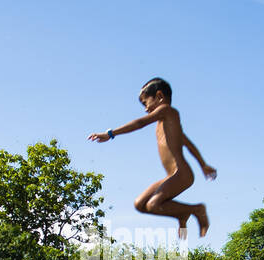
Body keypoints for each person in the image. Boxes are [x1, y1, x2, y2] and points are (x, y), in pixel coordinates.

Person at [88, 77, 216, 238]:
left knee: (154, 204)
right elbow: (188, 143)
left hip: (181, 173)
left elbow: (140, 123)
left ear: (159, 96)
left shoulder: (168, 112)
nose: (145, 108)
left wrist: (110, 133)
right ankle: (181, 214)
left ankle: (196, 210)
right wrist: (203, 164)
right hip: (172, 175)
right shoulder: (166, 123)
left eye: (145, 102)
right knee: (140, 204)